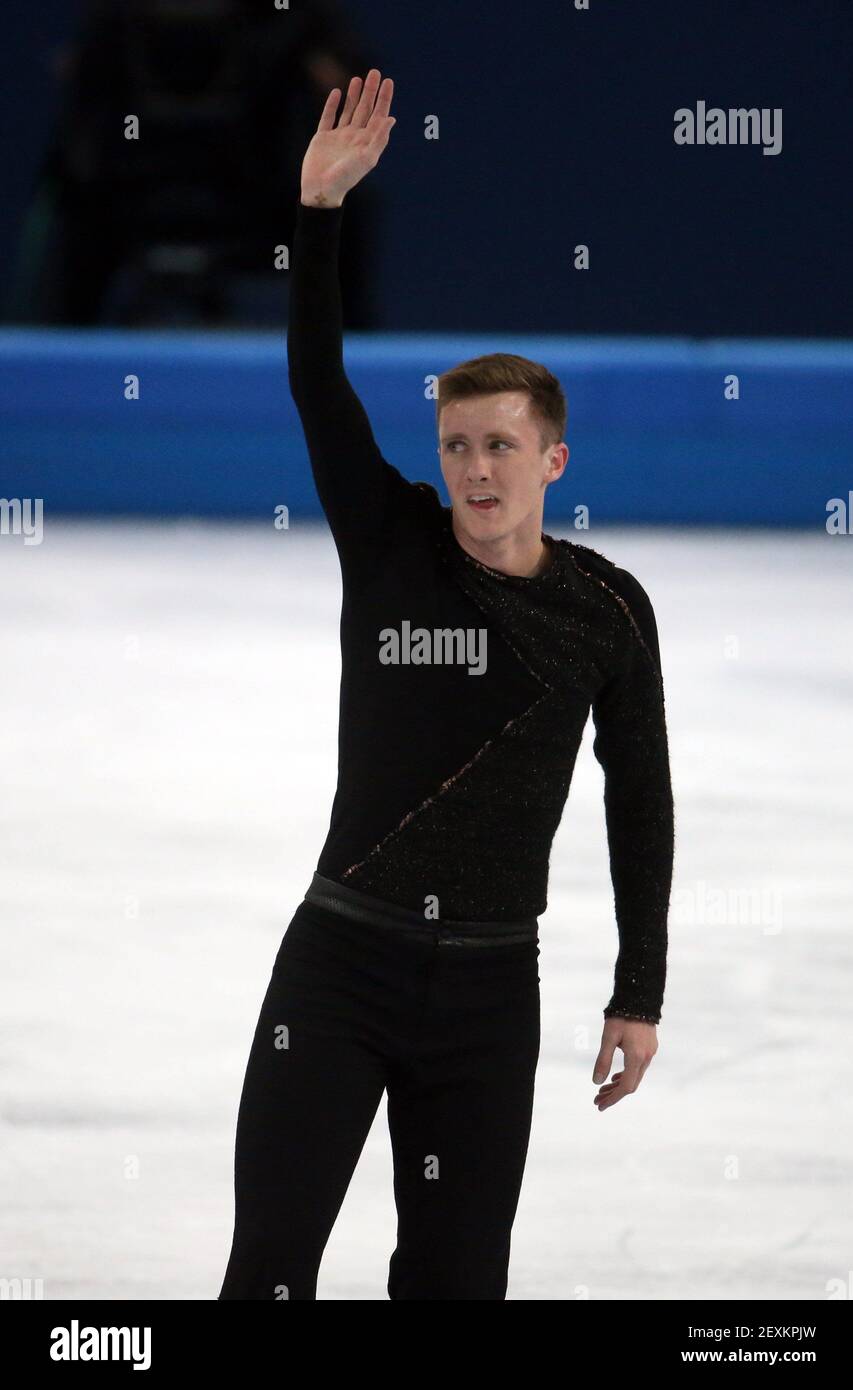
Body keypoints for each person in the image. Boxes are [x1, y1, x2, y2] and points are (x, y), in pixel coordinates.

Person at [218, 69, 675, 1301]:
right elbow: (319, 387)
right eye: (455, 443)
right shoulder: (391, 542)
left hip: (488, 989)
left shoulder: (605, 611)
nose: (474, 467)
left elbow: (640, 797)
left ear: (553, 458)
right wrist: (316, 217)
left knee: (458, 1283)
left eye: (500, 445)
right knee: (267, 1269)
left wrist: (638, 991)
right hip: (338, 965)